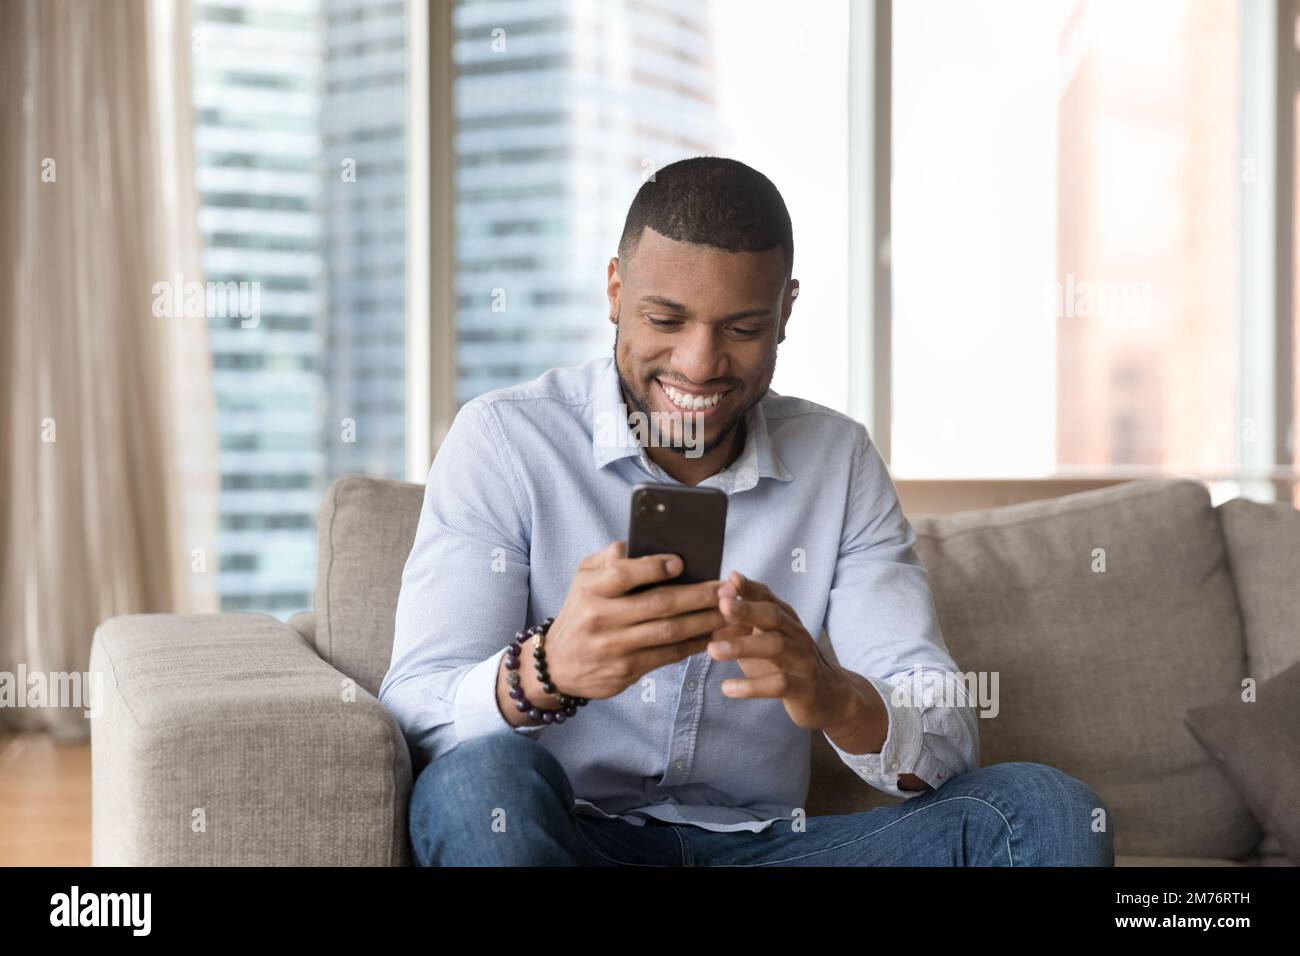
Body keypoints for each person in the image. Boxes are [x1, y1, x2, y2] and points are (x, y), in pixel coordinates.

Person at [380, 156, 1114, 867]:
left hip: (767, 847)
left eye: (741, 328)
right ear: (613, 290)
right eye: (665, 319)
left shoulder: (837, 458)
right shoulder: (507, 440)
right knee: (478, 787)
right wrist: (548, 670)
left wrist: (833, 694)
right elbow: (414, 715)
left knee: (1044, 808)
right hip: (572, 836)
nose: (699, 365)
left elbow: (945, 732)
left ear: (786, 311)